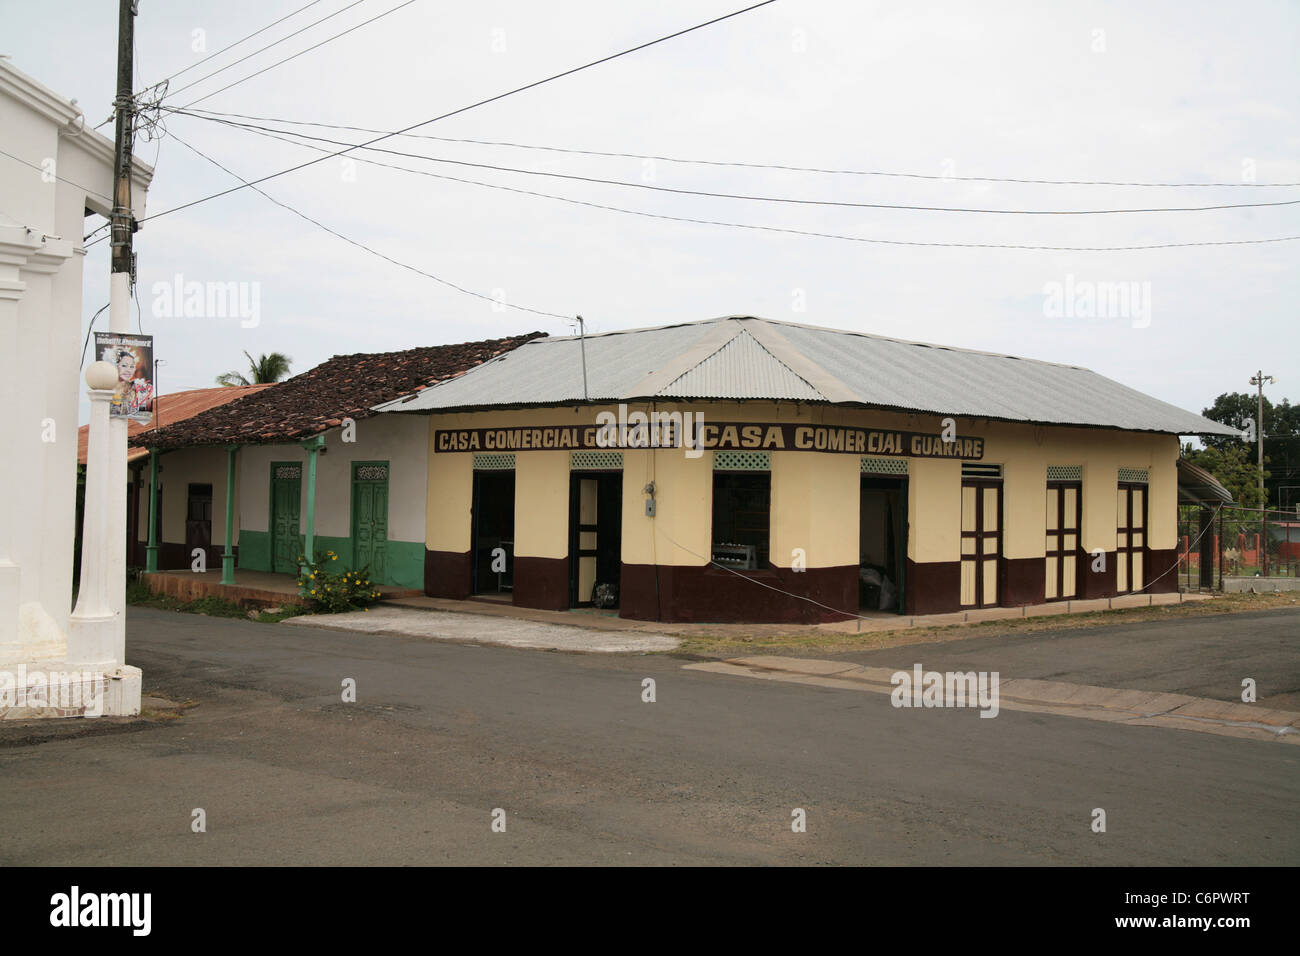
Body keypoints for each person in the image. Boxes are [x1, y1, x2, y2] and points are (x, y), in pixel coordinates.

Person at [109, 346, 153, 416]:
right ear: (115, 366)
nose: (128, 370)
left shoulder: (139, 388)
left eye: (132, 367)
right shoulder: (107, 388)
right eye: (124, 366)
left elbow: (147, 412)